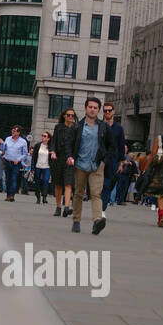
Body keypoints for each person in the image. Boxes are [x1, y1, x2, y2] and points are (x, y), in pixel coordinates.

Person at [68, 96, 113, 234]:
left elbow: (111, 146)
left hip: (97, 165)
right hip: (80, 164)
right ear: (85, 108)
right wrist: (70, 156)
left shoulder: (104, 127)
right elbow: (69, 144)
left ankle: (97, 221)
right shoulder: (77, 126)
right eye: (90, 107)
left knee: (96, 194)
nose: (92, 110)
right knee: (78, 193)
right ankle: (76, 221)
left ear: (99, 110)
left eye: (95, 108)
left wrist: (104, 161)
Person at [50, 108, 77, 217]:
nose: (70, 117)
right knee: (58, 184)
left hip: (70, 159)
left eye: (72, 115)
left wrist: (74, 157)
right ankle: (58, 207)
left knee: (68, 183)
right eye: (68, 115)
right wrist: (53, 152)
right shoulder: (58, 127)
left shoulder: (76, 128)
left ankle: (66, 207)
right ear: (64, 116)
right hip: (59, 158)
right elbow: (53, 141)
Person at [100, 101, 127, 214]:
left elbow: (121, 146)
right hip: (99, 159)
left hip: (113, 160)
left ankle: (102, 210)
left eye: (109, 110)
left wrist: (121, 163)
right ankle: (98, 207)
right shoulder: (99, 125)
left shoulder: (119, 128)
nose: (107, 112)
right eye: (105, 110)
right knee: (98, 185)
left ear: (113, 112)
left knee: (107, 185)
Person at [1, 125, 28, 201]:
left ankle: (12, 196)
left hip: (16, 163)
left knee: (13, 178)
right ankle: (8, 195)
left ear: (19, 133)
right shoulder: (7, 139)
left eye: (15, 131)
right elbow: (3, 150)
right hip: (7, 161)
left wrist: (18, 159)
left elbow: (25, 154)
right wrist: (3, 144)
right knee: (7, 179)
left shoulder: (23, 142)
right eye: (12, 130)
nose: (13, 132)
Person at [33, 131, 52, 204]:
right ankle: (38, 197)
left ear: (48, 138)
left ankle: (44, 196)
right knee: (37, 182)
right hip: (38, 166)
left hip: (47, 166)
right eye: (42, 135)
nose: (43, 137)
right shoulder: (37, 145)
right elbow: (34, 157)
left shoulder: (51, 147)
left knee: (45, 181)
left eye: (45, 136)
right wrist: (32, 167)